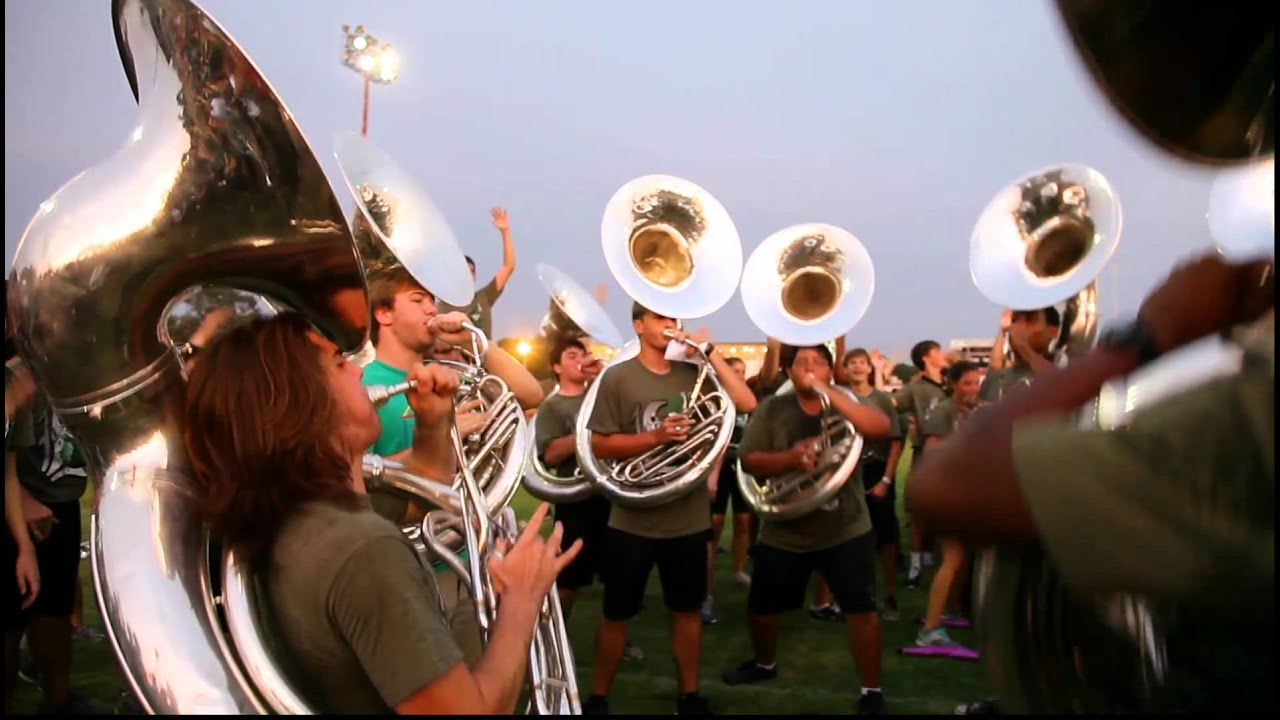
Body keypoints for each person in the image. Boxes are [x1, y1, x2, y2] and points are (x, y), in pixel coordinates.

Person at [908, 253, 1274, 712]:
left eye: (1030, 321)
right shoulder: (1001, 376)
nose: (1023, 327)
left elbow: (953, 484)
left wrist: (1139, 339)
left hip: (1038, 481)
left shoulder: (1062, 363)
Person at [182, 311, 580, 715]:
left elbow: (422, 490)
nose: (358, 373)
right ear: (299, 401)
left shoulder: (306, 514)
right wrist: (520, 600)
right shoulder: (364, 551)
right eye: (339, 364)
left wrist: (433, 423)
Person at [360, 264, 543, 664]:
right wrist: (442, 434)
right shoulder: (364, 383)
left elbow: (530, 395)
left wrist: (475, 341)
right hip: (405, 562)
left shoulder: (448, 374)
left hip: (465, 557)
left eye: (433, 299)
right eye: (418, 299)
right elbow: (354, 474)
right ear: (384, 314)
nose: (433, 308)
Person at [582, 302, 756, 716]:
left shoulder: (694, 373)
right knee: (616, 615)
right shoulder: (617, 377)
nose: (670, 326)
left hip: (687, 517)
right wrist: (657, 438)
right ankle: (598, 698)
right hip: (632, 518)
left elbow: (746, 402)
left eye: (674, 320)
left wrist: (709, 351)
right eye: (659, 319)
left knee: (687, 611)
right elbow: (600, 445)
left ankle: (689, 696)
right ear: (638, 326)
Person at [720, 344, 893, 715]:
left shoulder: (844, 402)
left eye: (818, 362)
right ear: (788, 371)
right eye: (801, 362)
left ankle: (871, 689)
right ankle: (764, 664)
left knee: (862, 611)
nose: (810, 367)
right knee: (762, 608)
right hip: (785, 530)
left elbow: (880, 428)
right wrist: (792, 457)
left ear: (831, 371)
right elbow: (749, 461)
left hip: (845, 528)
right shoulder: (772, 408)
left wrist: (827, 391)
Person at [532, 338, 645, 662]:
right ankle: (553, 641)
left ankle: (618, 642)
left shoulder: (600, 398)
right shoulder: (553, 407)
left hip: (613, 497)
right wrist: (586, 435)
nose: (581, 359)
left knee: (621, 577)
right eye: (572, 355)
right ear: (556, 367)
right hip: (576, 501)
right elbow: (550, 455)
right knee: (569, 580)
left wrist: (604, 379)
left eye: (583, 354)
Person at [912, 361, 984, 648]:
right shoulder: (943, 410)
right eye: (967, 383)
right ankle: (929, 629)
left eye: (976, 382)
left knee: (962, 558)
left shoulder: (969, 410)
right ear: (953, 384)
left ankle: (950, 609)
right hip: (943, 493)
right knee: (953, 558)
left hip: (962, 491)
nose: (973, 388)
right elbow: (931, 452)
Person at [844, 348, 905, 622]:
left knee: (886, 538)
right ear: (845, 369)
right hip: (848, 473)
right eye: (852, 363)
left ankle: (890, 595)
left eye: (862, 363)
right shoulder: (841, 397)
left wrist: (886, 480)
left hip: (877, 472)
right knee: (850, 537)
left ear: (870, 368)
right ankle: (856, 594)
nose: (857, 367)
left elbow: (894, 442)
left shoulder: (881, 399)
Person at [891, 340, 950, 587]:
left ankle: (937, 560)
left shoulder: (952, 384)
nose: (943, 354)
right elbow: (890, 404)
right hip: (925, 453)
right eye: (937, 351)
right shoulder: (916, 389)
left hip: (954, 455)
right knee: (917, 511)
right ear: (926, 358)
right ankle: (915, 566)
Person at [702, 356, 753, 626]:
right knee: (714, 524)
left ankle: (738, 570)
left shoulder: (748, 397)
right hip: (717, 468)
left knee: (744, 520)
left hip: (742, 466)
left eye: (742, 371)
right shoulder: (715, 400)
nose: (738, 375)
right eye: (733, 370)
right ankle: (706, 593)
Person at [436, 207, 517, 339]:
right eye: (464, 272)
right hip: (455, 359)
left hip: (484, 358)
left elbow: (509, 266)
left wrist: (505, 231)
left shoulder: (483, 297)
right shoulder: (440, 307)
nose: (468, 275)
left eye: (472, 272)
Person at [981, 307, 1061, 401]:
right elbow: (995, 368)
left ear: (1052, 331)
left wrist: (1023, 345)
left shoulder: (1062, 364)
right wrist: (1003, 330)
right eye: (1015, 320)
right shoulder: (998, 378)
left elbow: (1058, 384)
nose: (1020, 327)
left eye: (1030, 319)